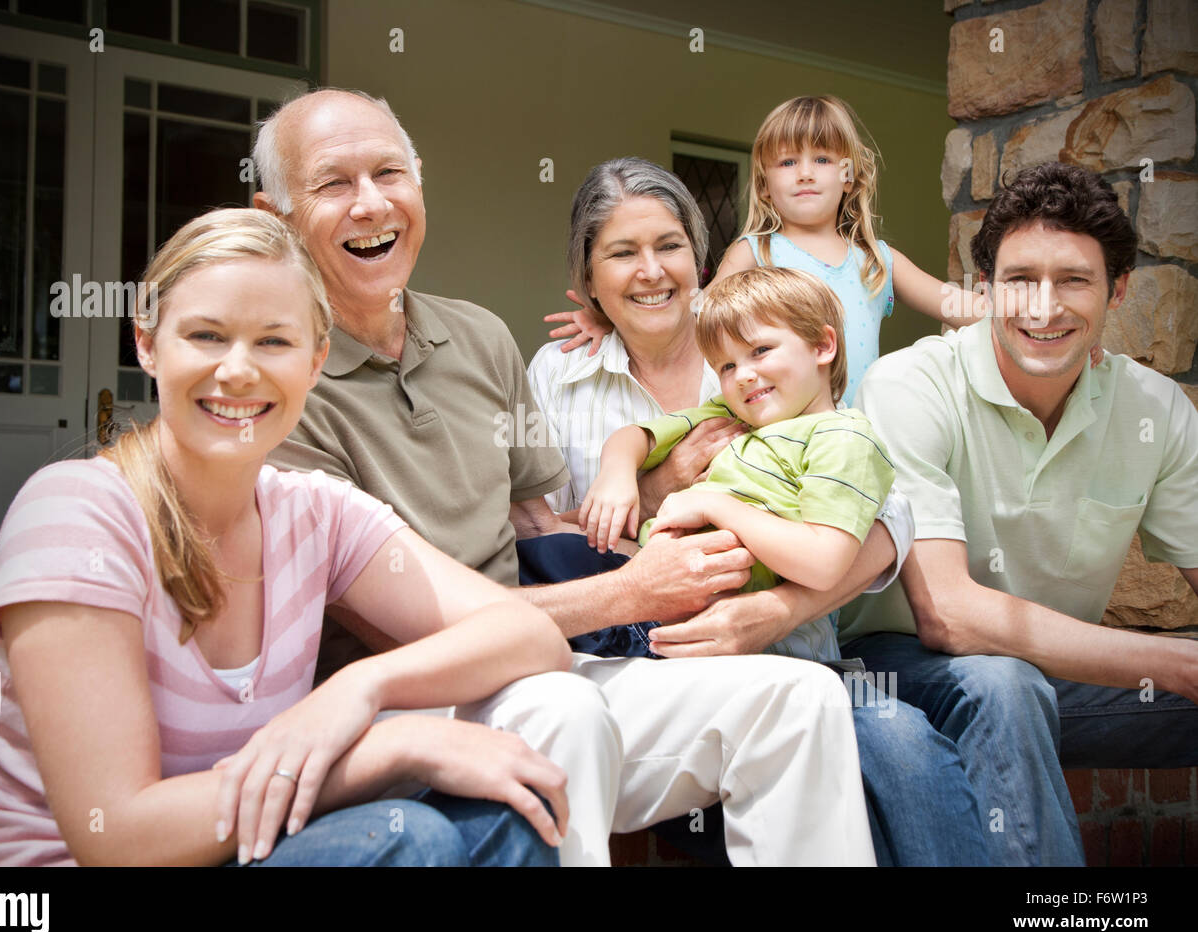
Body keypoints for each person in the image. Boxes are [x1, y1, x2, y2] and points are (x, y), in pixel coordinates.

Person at [258, 88, 877, 866]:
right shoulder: (277, 384)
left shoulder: (478, 338)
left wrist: (662, 559)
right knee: (565, 707)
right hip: (405, 697)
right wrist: (636, 589)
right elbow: (399, 625)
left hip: (546, 658)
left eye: (390, 172)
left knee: (801, 698)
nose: (372, 204)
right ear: (276, 216)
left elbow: (538, 527)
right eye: (334, 183)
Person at [0, 208, 572, 867]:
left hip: (228, 851)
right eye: (206, 336)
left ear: (316, 359)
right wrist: (392, 747)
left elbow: (529, 637)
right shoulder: (77, 513)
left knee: (507, 816)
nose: (239, 371)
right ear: (148, 345)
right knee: (409, 838)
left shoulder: (314, 512)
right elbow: (115, 838)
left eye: (273, 342)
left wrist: (361, 689)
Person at [525, 157, 987, 865]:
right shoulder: (560, 372)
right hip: (644, 667)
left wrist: (780, 610)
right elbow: (540, 530)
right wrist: (656, 494)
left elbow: (888, 513)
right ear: (588, 278)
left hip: (796, 657)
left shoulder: (753, 348)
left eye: (669, 246)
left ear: (700, 259)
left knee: (894, 744)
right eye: (622, 253)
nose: (650, 271)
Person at [840, 161, 1198, 866]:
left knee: (1019, 683)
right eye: (1019, 280)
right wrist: (1182, 662)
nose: (1042, 307)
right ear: (985, 288)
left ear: (1117, 290)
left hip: (1052, 678)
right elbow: (949, 615)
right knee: (1004, 682)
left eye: (1073, 280)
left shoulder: (1157, 410)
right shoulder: (912, 385)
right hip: (897, 668)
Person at [550, 96, 988, 405]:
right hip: (781, 432)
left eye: (822, 159)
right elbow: (692, 310)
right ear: (765, 182)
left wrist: (1019, 303)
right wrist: (610, 315)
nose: (804, 174)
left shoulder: (877, 259)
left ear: (850, 176)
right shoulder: (756, 251)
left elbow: (952, 304)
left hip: (859, 429)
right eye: (786, 162)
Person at [581, 267, 895, 663]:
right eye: (726, 366)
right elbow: (635, 437)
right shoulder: (729, 414)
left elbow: (823, 563)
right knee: (543, 552)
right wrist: (617, 472)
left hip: (760, 655)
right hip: (643, 600)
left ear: (821, 345)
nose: (743, 376)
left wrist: (716, 506)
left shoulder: (842, 438)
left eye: (760, 351)